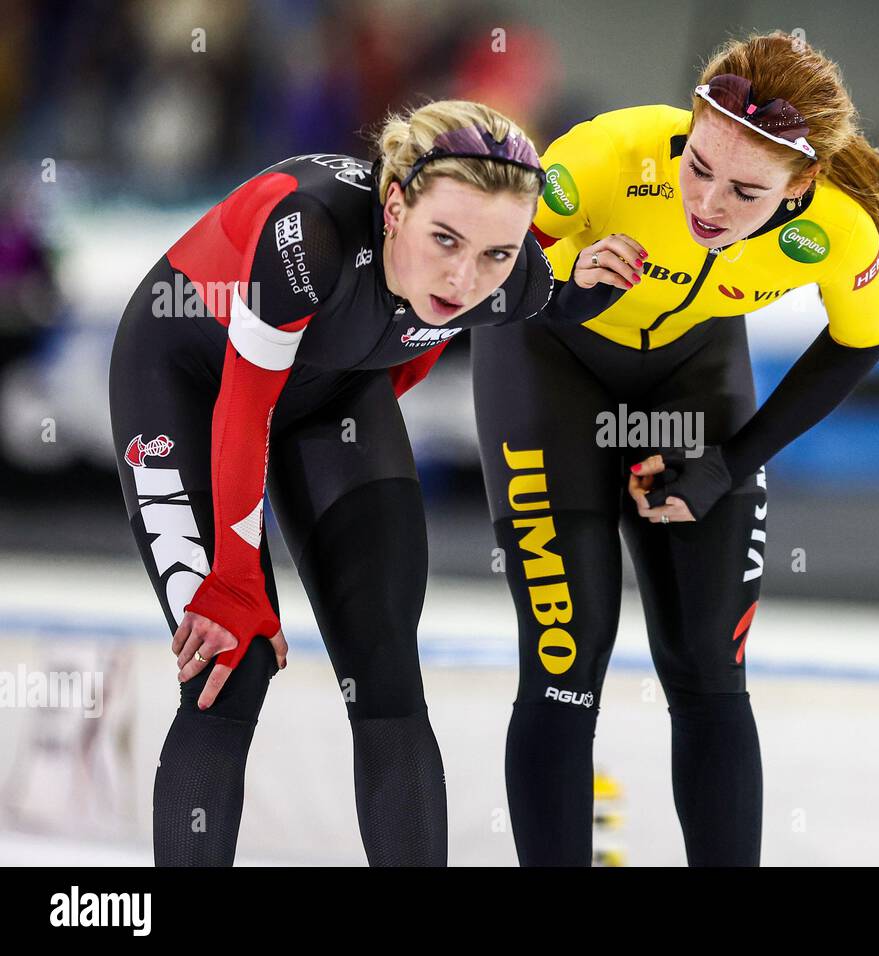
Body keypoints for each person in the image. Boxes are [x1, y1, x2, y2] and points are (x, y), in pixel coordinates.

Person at [109, 100, 582, 865]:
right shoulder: (311, 234)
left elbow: (578, 294)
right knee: (234, 661)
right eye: (446, 240)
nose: (466, 278)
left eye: (496, 253)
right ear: (394, 207)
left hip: (332, 395)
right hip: (193, 387)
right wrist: (233, 577)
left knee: (385, 663)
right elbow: (245, 406)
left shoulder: (516, 281)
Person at [472, 31, 879, 866]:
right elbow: (486, 281)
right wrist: (560, 291)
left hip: (690, 379)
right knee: (567, 652)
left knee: (710, 669)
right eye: (698, 167)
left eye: (746, 190)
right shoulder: (607, 152)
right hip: (548, 363)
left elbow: (860, 342)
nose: (707, 203)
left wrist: (730, 463)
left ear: (801, 184)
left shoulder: (840, 229)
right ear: (687, 130)